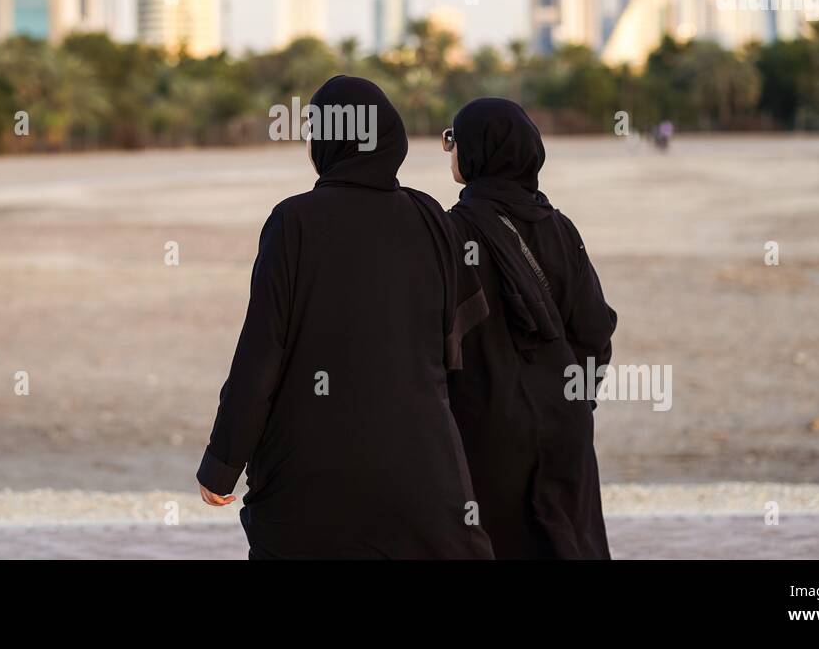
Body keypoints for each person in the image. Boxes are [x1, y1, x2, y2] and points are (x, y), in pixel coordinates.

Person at [197, 75, 494, 559]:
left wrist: (222, 462)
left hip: (310, 479)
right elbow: (460, 336)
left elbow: (260, 354)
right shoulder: (431, 217)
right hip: (421, 472)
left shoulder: (294, 222)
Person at [442, 97, 617, 559]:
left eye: (452, 139)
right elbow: (596, 332)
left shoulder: (451, 235)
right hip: (566, 426)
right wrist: (572, 400)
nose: (449, 150)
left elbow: (432, 342)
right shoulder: (561, 229)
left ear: (477, 149)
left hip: (486, 433)